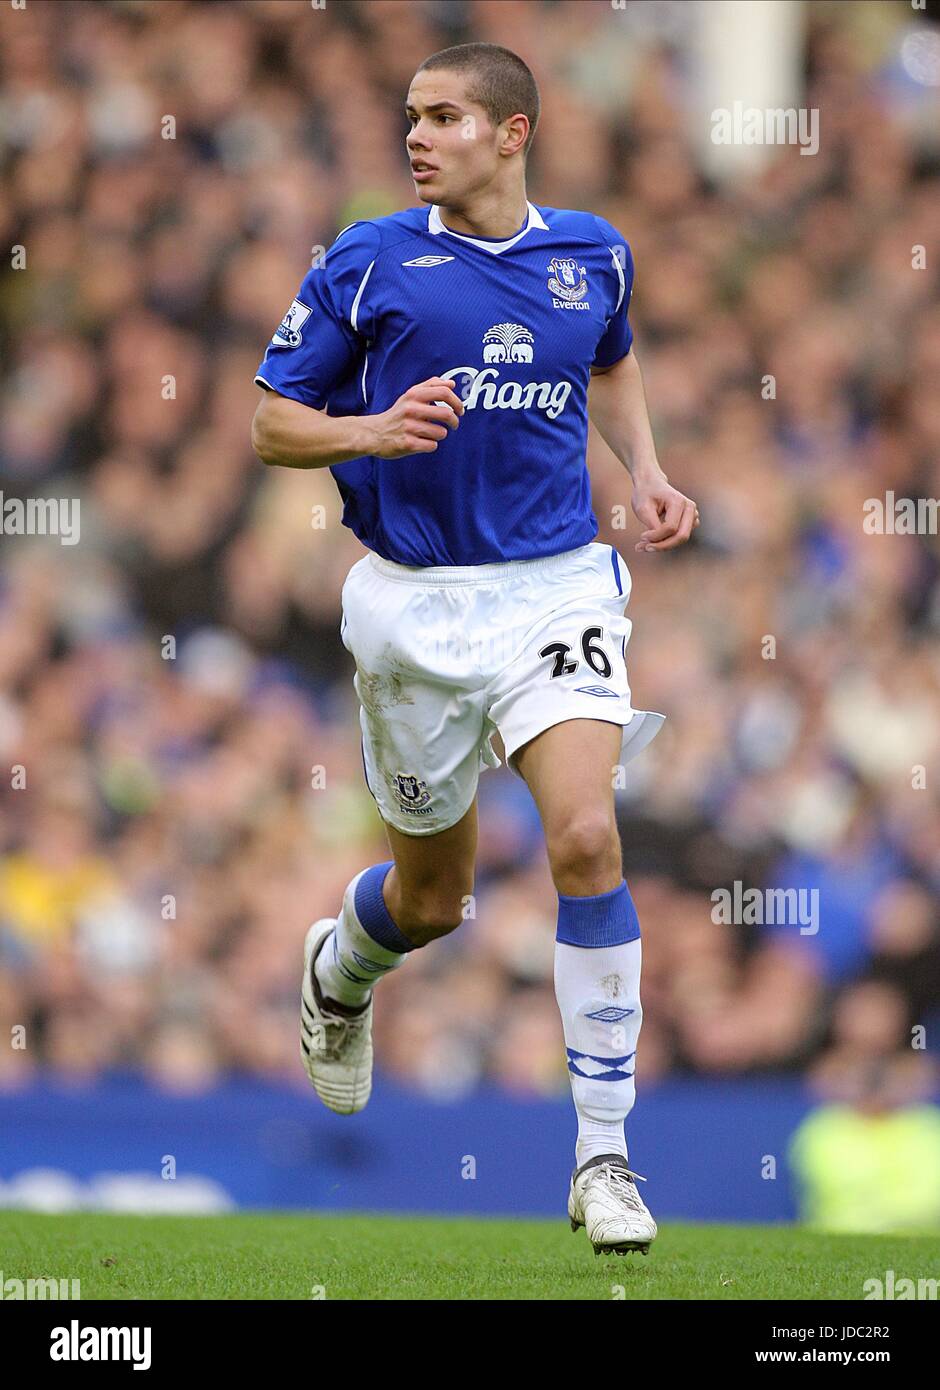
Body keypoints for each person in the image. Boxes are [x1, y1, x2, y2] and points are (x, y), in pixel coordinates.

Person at [251, 42, 699, 1256]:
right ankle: (341, 970)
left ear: (512, 133)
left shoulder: (590, 253)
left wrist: (645, 471)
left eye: (443, 116)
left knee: (587, 835)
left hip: (555, 588)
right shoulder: (370, 258)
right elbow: (270, 422)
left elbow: (609, 359)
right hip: (413, 603)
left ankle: (603, 1155)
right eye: (410, 116)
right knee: (434, 899)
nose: (418, 135)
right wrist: (373, 428)